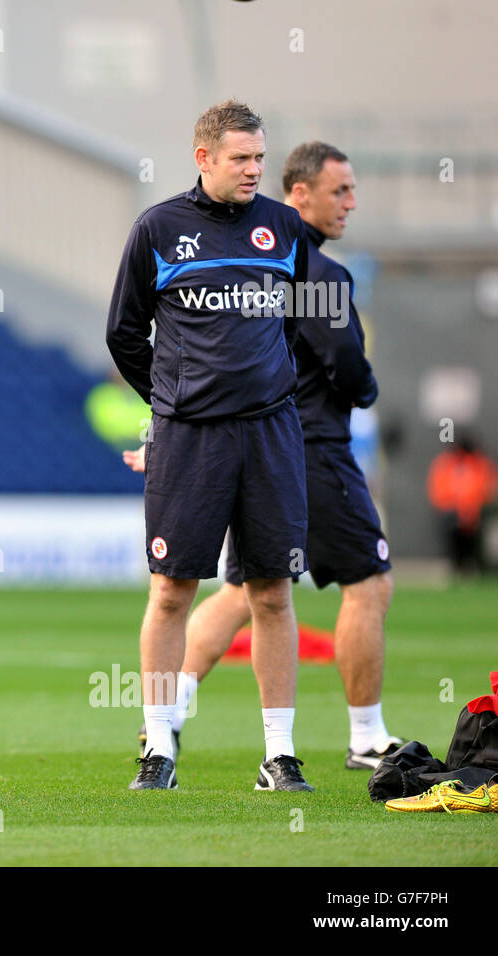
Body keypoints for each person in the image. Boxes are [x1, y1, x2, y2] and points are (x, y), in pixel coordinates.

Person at [126, 142, 405, 771]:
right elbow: (342, 357)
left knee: (248, 590)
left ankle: (175, 714)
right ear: (299, 194)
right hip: (304, 444)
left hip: (262, 438)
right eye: (340, 191)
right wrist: (365, 389)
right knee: (367, 582)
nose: (351, 203)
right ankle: (365, 735)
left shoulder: (279, 249)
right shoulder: (313, 268)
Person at [106, 101, 312, 792]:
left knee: (273, 592)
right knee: (171, 591)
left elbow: (306, 333)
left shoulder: (285, 228)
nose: (256, 169)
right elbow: (124, 334)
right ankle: (159, 744)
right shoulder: (158, 230)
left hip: (270, 436)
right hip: (189, 440)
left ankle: (279, 755)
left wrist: (275, 392)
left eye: (260, 158)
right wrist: (172, 404)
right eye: (242, 159)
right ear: (204, 159)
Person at [428, 434, 498, 575]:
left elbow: (488, 490)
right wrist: (458, 510)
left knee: (477, 537)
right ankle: (457, 566)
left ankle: (478, 567)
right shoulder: (446, 464)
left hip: (476, 514)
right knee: (454, 535)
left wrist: (471, 511)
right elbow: (440, 492)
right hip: (452, 513)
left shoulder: (479, 464)